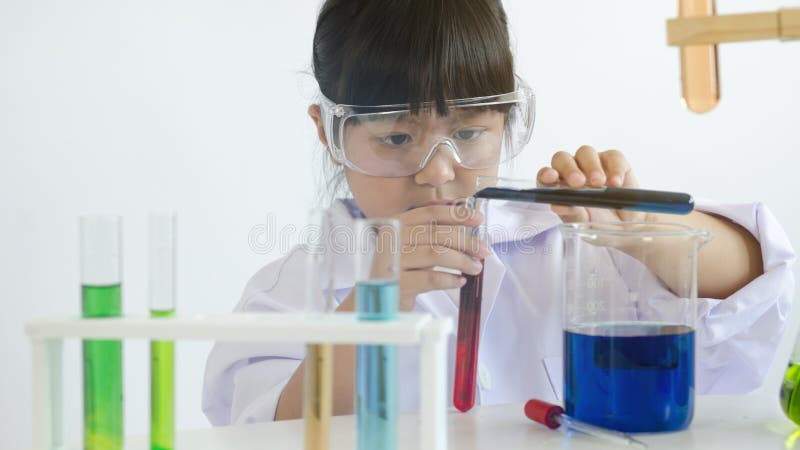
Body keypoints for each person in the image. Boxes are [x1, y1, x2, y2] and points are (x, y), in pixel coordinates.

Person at [202, 0, 795, 425]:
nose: (438, 172)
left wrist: (642, 233)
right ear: (330, 133)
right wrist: (372, 306)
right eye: (396, 139)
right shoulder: (292, 290)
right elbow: (266, 428)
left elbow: (751, 279)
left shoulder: (570, 246)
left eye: (467, 132)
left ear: (507, 120)